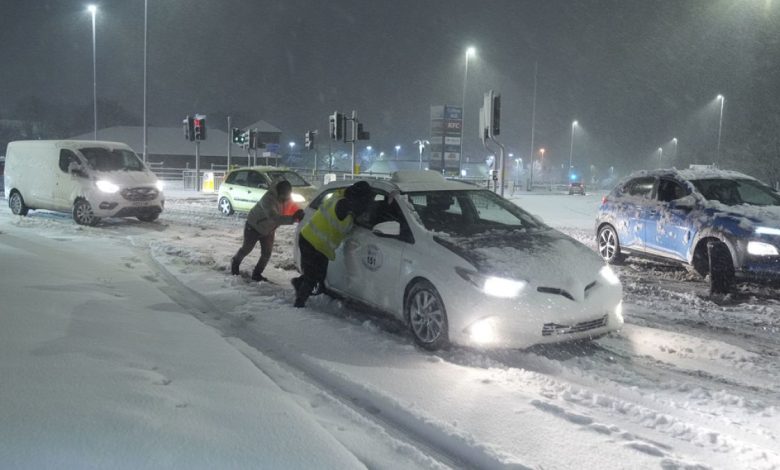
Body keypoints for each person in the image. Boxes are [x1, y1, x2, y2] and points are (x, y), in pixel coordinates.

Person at [292, 180, 373, 307]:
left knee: (318, 274)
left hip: (313, 240)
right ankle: (299, 304)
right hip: (313, 243)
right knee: (312, 276)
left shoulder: (339, 196)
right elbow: (353, 220)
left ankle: (298, 283)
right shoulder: (345, 206)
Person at [231, 179, 304, 281]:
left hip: (269, 229)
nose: (286, 199)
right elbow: (274, 218)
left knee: (266, 253)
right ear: (279, 192)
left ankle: (257, 274)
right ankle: (235, 263)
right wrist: (293, 218)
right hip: (254, 226)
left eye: (287, 196)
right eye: (284, 196)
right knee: (247, 249)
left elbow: (293, 207)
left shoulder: (286, 198)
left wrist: (299, 212)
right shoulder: (268, 199)